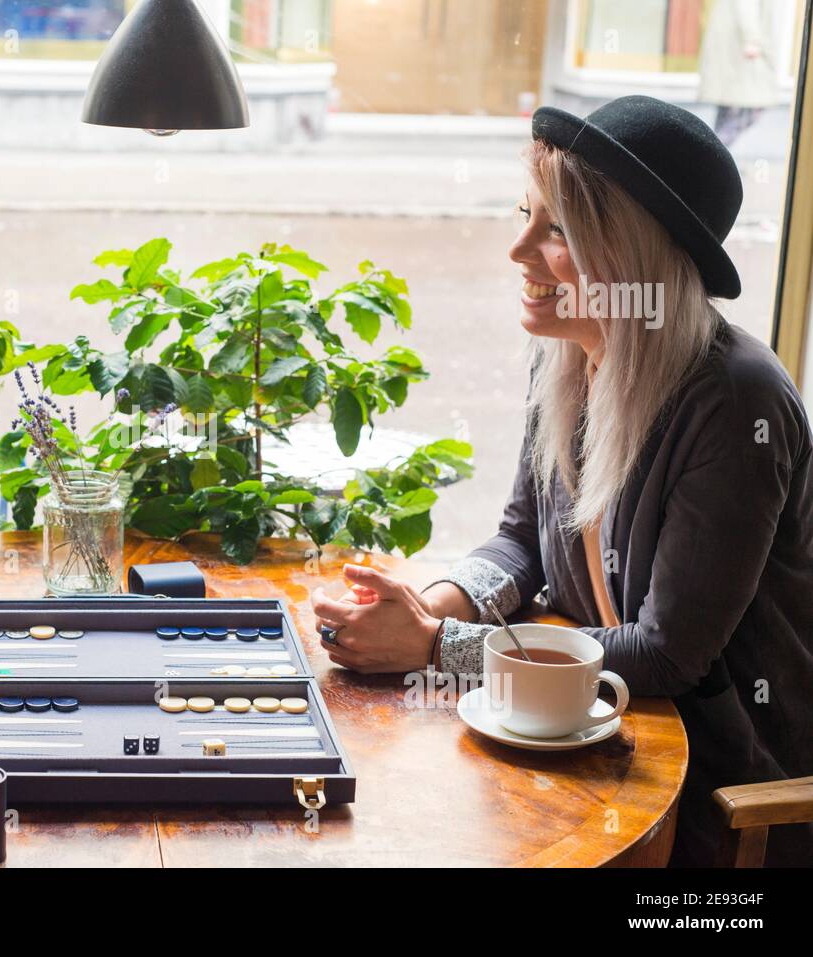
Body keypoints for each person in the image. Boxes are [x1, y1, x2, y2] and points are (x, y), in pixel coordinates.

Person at [311, 95, 813, 866]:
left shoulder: (737, 400)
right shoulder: (570, 352)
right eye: (525, 213)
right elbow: (520, 540)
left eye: (555, 231)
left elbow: (667, 654)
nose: (518, 250)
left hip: (718, 796)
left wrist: (440, 646)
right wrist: (427, 606)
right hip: (579, 736)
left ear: (632, 257)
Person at [698, 0, 781, 148]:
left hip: (738, 50)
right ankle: (711, 156)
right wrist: (752, 39)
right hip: (742, 51)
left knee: (730, 112)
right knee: (745, 109)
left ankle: (710, 157)